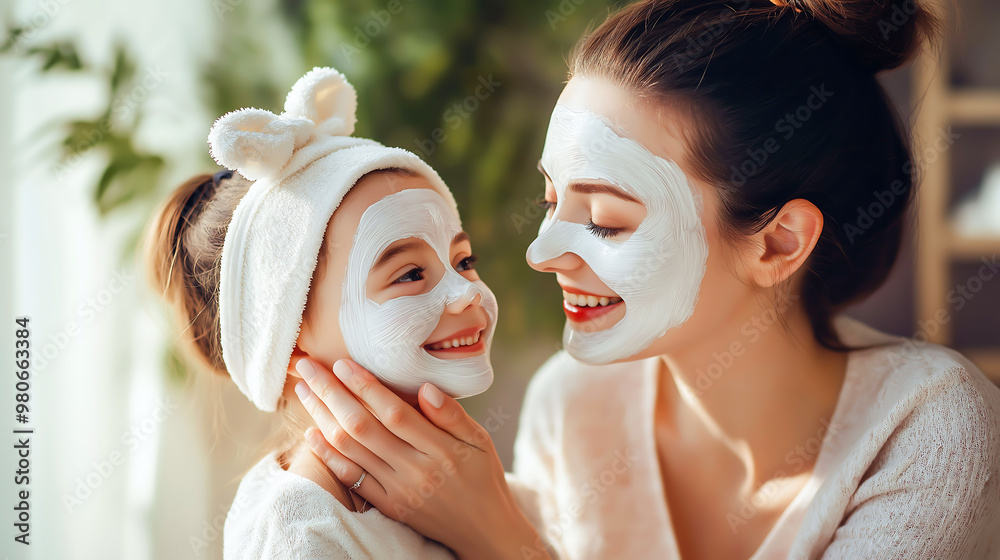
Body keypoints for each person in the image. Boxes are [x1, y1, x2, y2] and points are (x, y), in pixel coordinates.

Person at [295, 1, 1000, 559]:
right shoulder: (568, 408)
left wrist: (495, 536)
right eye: (552, 201)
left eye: (604, 220)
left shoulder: (931, 430)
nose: (543, 252)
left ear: (778, 243)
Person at [142, 67, 513, 559]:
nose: (466, 292)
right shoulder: (300, 531)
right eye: (408, 274)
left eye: (463, 261)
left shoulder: (476, 484)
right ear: (291, 346)